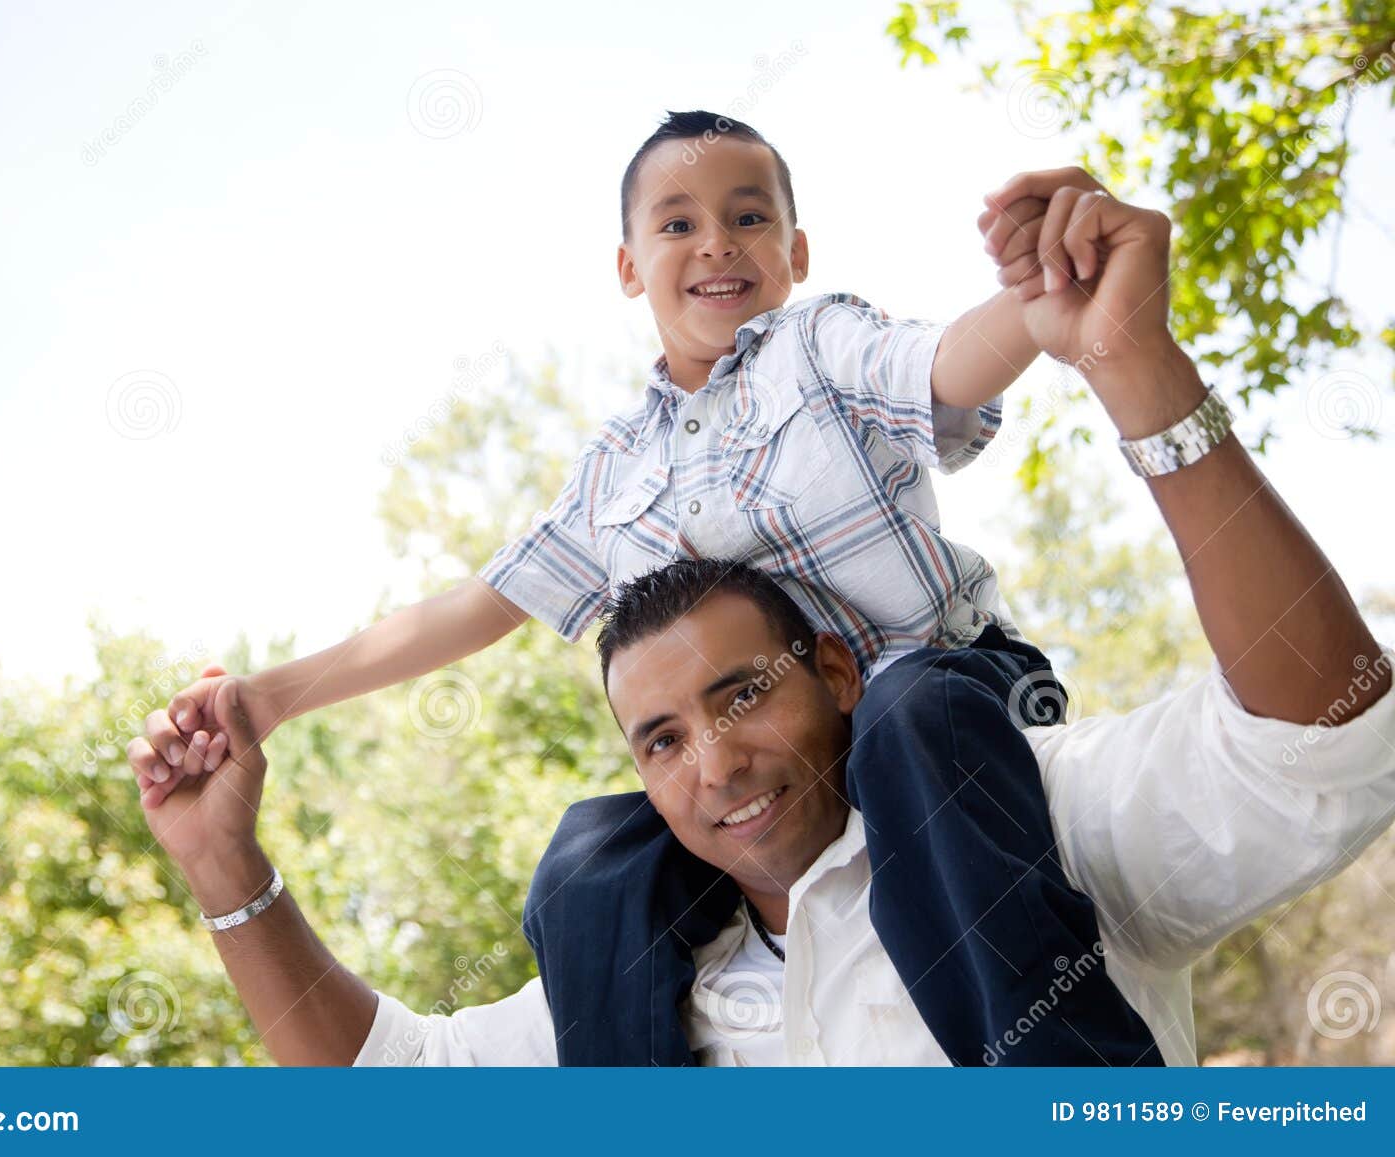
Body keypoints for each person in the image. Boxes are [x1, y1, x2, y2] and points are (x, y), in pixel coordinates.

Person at [129, 166, 1395, 1066]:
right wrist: (258, 738)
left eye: (741, 693)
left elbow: (1324, 741)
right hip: (833, 747)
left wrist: (1082, 326)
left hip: (951, 708)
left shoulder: (820, 357)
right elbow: (476, 606)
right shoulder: (615, 471)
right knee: (586, 857)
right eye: (661, 735)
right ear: (628, 267)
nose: (716, 242)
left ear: (794, 252)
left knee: (914, 716)